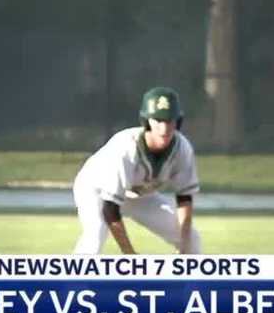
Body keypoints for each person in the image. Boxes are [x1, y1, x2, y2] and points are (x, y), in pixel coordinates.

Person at [72, 87, 202, 254]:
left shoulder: (182, 148)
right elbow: (110, 209)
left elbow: (184, 197)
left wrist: (185, 245)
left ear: (178, 122)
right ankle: (74, 280)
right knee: (95, 235)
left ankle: (190, 281)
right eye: (158, 120)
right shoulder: (126, 148)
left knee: (191, 238)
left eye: (170, 120)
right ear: (147, 121)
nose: (164, 128)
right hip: (95, 189)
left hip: (140, 195)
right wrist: (130, 255)